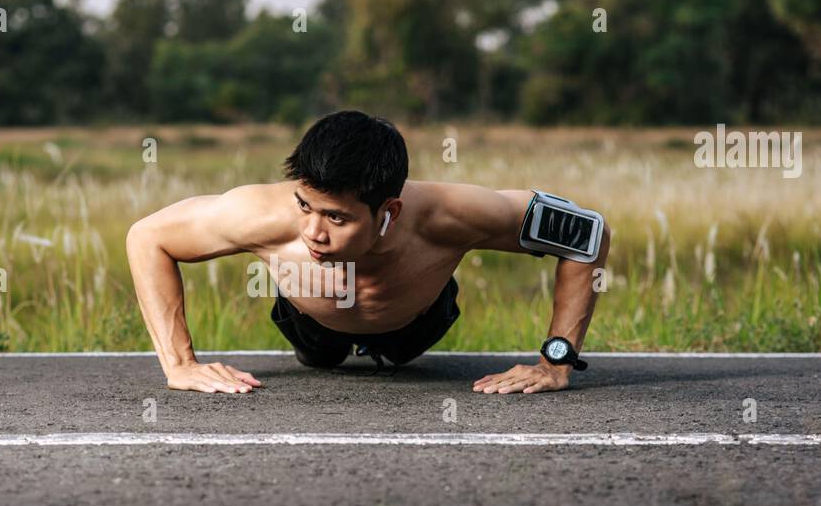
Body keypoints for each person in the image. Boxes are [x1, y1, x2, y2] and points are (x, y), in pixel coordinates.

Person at [126, 110, 610, 395]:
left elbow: (588, 233)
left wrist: (555, 361)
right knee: (318, 358)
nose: (313, 231)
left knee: (407, 356)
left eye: (336, 218)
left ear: (389, 211)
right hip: (310, 322)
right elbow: (148, 238)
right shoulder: (257, 213)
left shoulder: (451, 214)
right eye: (305, 207)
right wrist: (180, 364)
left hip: (417, 322)